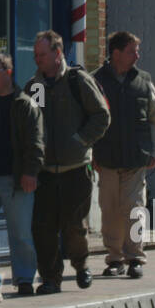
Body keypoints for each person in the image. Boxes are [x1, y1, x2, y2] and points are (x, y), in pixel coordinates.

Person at [24, 30, 110, 294]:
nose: (37, 59)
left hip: (76, 169)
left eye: (42, 54)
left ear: (57, 53)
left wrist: (79, 140)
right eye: (35, 55)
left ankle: (81, 265)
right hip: (46, 171)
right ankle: (51, 279)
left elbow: (101, 116)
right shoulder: (35, 86)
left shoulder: (77, 81)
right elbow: (33, 124)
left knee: (74, 225)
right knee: (44, 228)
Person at [92, 31, 155, 280]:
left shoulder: (144, 81)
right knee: (110, 210)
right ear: (116, 53)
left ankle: (135, 257)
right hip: (107, 159)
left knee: (133, 208)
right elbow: (88, 120)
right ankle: (114, 258)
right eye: (132, 50)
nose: (137, 55)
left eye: (137, 50)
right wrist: (89, 153)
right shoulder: (96, 81)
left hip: (136, 159)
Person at [0, 53, 44, 296]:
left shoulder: (25, 103)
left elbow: (36, 142)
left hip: (16, 178)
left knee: (21, 232)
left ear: (8, 73)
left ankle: (23, 278)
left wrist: (31, 172)